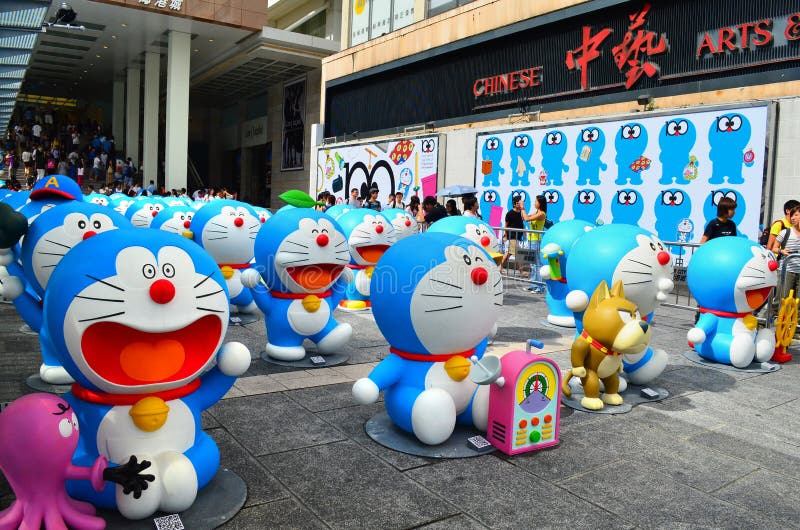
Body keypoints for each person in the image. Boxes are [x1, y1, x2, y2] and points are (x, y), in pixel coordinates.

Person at [772, 205, 800, 301]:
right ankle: (777, 311)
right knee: (782, 299)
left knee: (797, 302)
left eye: (796, 215)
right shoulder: (785, 232)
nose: (793, 218)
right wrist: (781, 251)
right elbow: (774, 248)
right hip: (787, 270)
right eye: (792, 215)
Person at [523, 195, 547, 293]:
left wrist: (522, 208)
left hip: (536, 241)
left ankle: (540, 287)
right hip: (531, 240)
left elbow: (527, 219)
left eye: (536, 201)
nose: (534, 203)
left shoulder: (542, 214)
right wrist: (521, 209)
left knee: (537, 264)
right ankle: (533, 285)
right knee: (533, 264)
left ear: (540, 203)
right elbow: (525, 217)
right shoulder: (536, 212)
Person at [501, 195, 525, 275]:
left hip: (518, 236)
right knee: (517, 254)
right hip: (512, 236)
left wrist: (524, 233)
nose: (520, 204)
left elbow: (522, 222)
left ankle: (499, 267)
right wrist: (506, 236)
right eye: (518, 203)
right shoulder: (510, 213)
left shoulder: (521, 212)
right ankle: (521, 272)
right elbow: (506, 225)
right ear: (514, 204)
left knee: (509, 253)